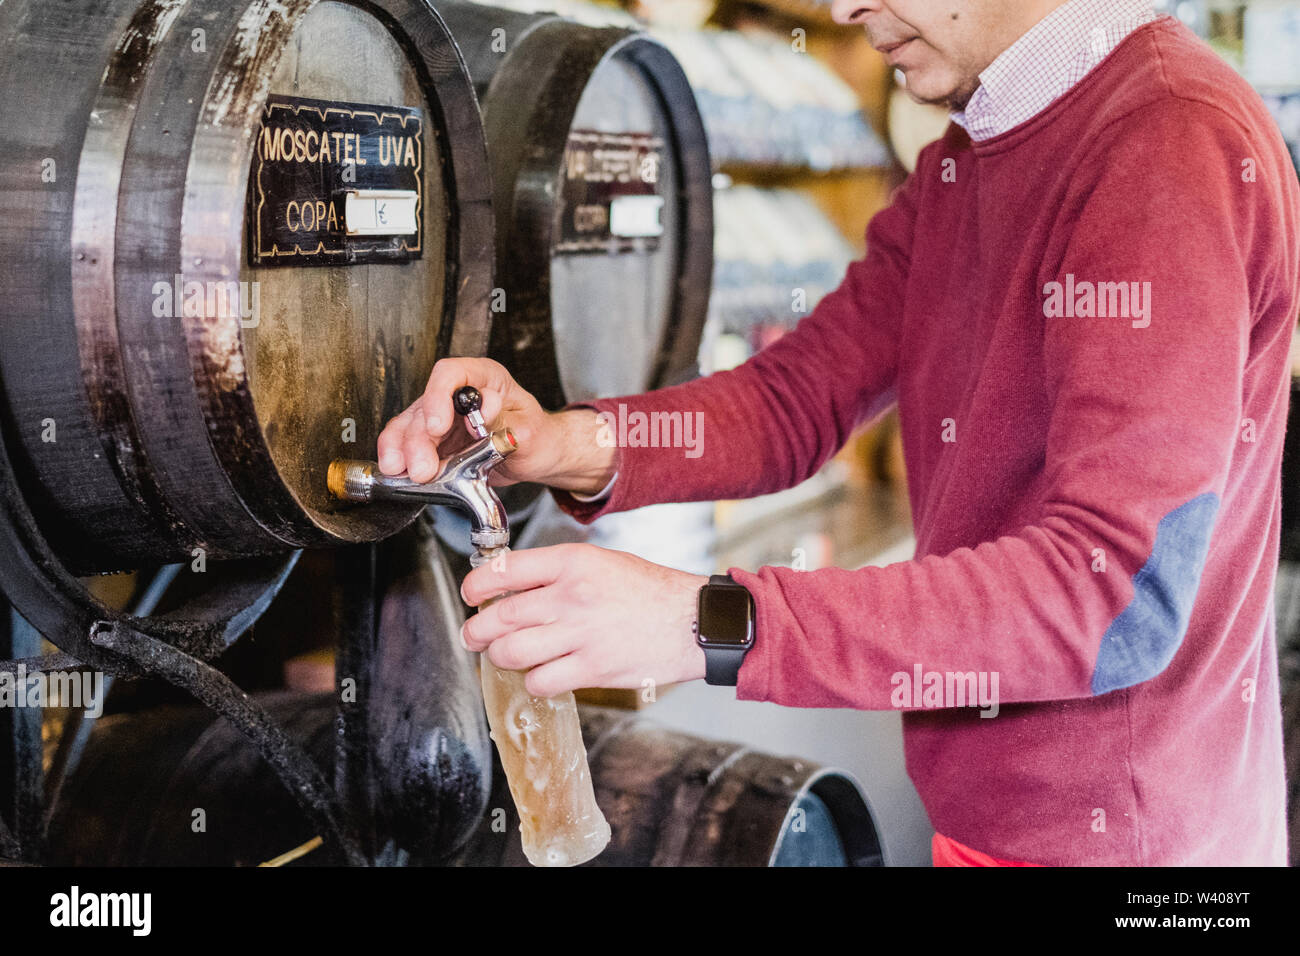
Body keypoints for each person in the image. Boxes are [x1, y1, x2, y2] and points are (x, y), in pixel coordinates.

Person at [377, 0, 1300, 866]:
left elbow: (1112, 594)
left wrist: (701, 620)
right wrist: (558, 441)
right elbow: (799, 396)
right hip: (993, 827)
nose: (844, 7)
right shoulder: (967, 154)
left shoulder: (1167, 140)